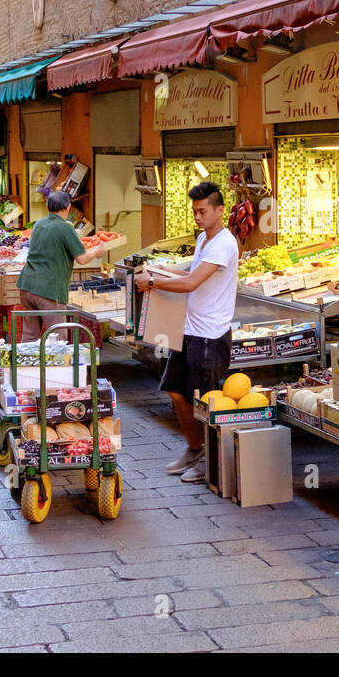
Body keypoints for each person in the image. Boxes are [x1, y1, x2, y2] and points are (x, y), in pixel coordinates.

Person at [134, 181, 238, 484]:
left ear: (220, 210)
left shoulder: (224, 243)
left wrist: (152, 284)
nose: (197, 216)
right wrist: (158, 271)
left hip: (210, 335)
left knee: (205, 401)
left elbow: (192, 284)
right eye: (194, 211)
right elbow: (188, 274)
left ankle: (211, 460)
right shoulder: (205, 240)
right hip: (189, 329)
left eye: (202, 211)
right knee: (177, 392)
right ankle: (194, 449)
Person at [16, 191, 103, 342]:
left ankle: (27, 365)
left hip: (27, 286)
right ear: (68, 207)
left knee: (29, 337)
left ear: (47, 206)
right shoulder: (65, 228)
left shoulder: (39, 224)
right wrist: (96, 251)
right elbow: (82, 259)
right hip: (48, 290)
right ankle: (57, 366)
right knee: (57, 338)